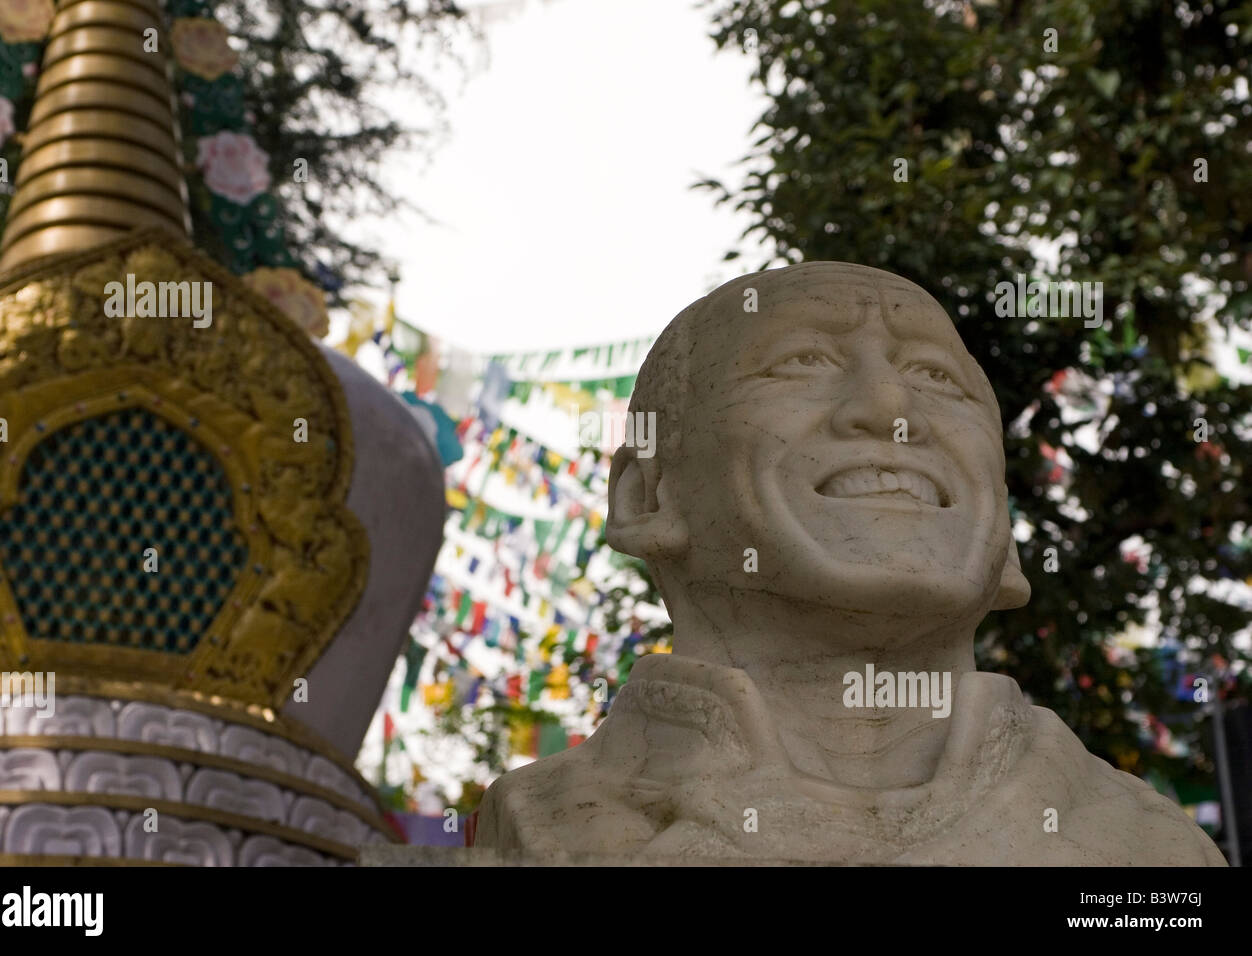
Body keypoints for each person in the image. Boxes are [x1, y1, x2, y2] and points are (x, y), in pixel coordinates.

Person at [474, 262, 1227, 865]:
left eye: (938, 377)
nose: (887, 406)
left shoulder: (1155, 856)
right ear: (647, 495)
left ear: (1006, 537)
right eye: (802, 361)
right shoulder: (535, 835)